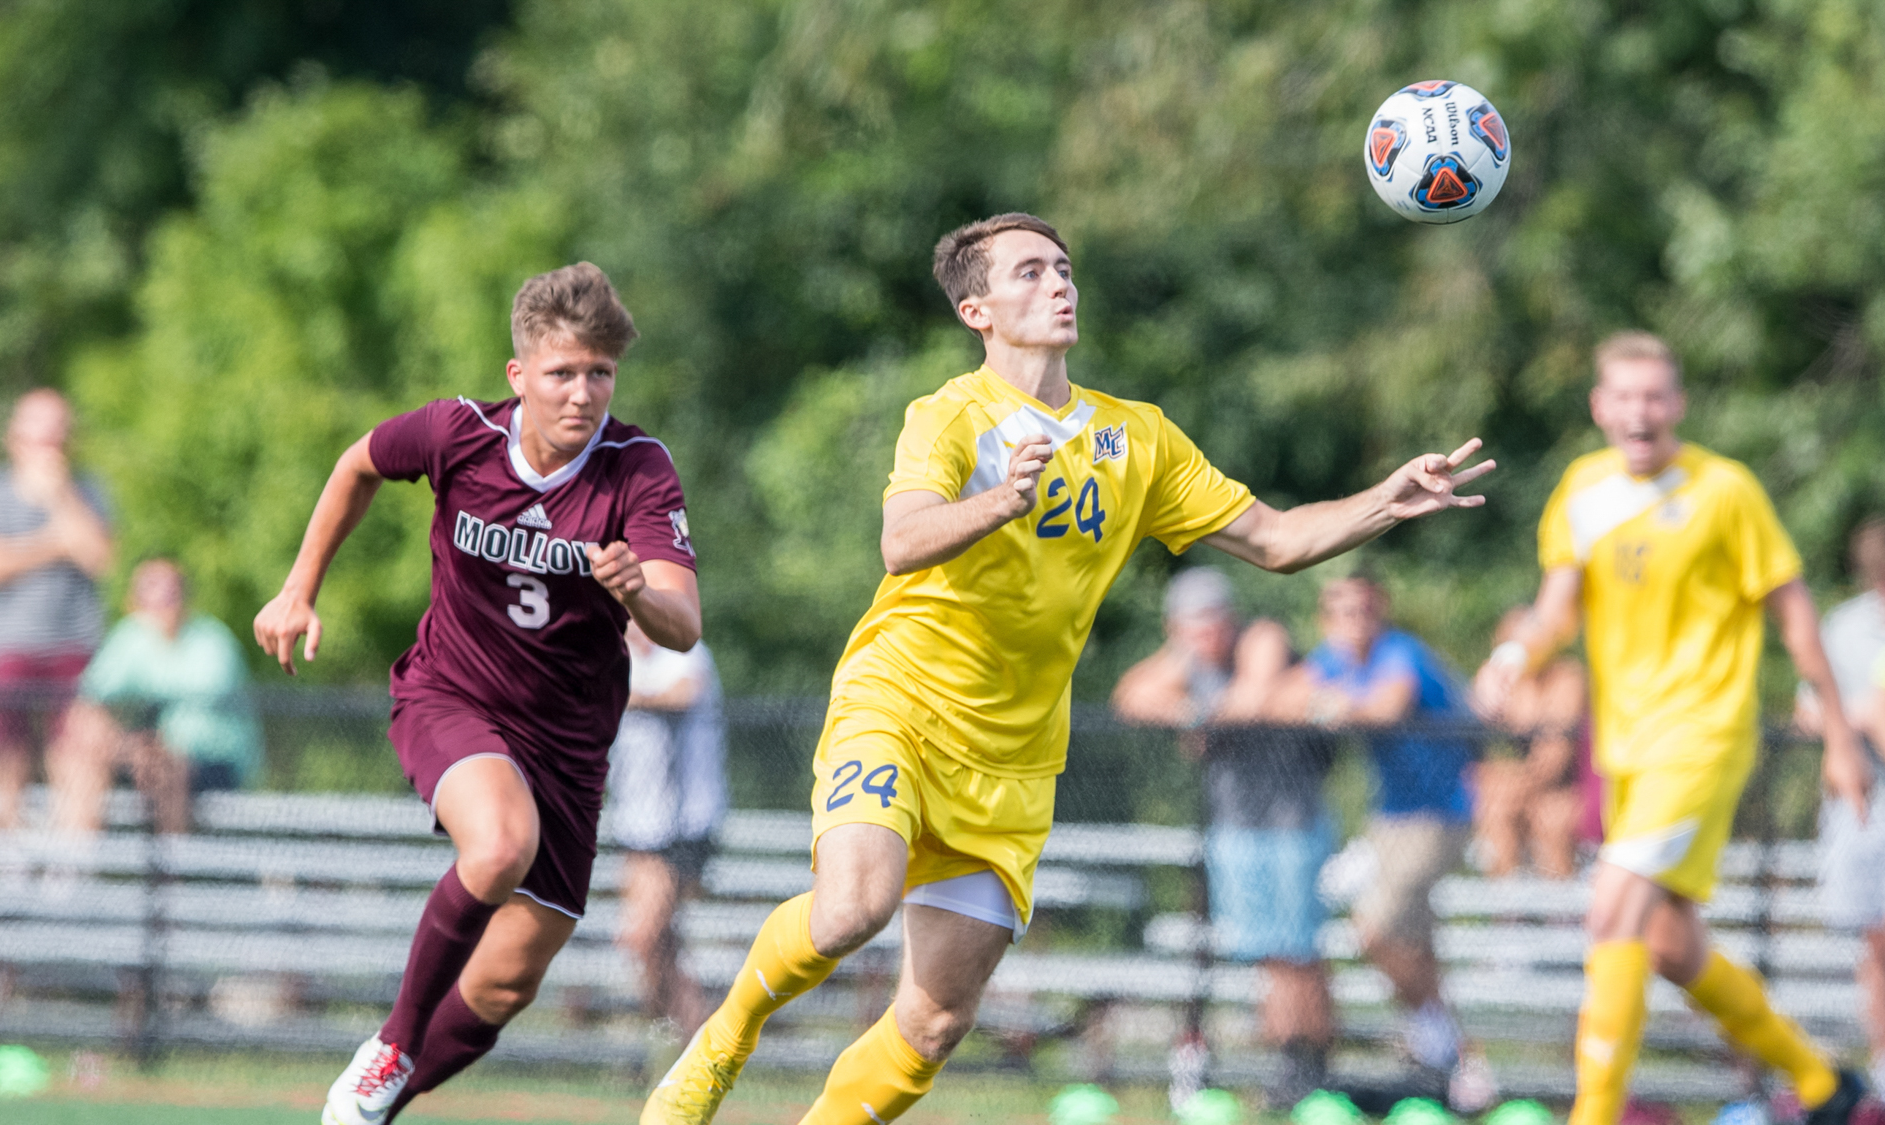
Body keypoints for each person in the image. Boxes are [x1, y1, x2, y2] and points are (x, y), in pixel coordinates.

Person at [641, 211, 1494, 1125]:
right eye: (1030, 271)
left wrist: (1384, 502)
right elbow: (900, 541)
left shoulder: (1139, 437)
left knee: (931, 1022)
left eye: (1064, 267)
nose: (1059, 284)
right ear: (978, 308)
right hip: (901, 705)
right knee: (853, 906)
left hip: (1013, 761)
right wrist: (1003, 498)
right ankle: (721, 1039)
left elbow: (1278, 539)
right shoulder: (951, 415)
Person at [251, 263, 703, 1125]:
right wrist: (299, 584)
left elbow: (683, 622)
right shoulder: (457, 434)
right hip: (451, 695)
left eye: (600, 373)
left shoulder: (636, 468)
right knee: (498, 847)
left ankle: (376, 1104)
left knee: (505, 980)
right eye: (563, 372)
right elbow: (359, 464)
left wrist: (636, 590)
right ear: (519, 374)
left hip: (569, 744)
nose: (582, 393)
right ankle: (390, 1043)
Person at [1471, 331, 1876, 1125]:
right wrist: (1517, 652)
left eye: (1655, 395)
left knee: (1611, 909)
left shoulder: (1725, 489)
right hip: (1626, 749)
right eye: (1624, 396)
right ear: (1600, 407)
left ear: (1677, 404)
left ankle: (1593, 1115)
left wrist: (1834, 733)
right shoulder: (1583, 489)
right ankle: (1825, 1084)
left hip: (1704, 735)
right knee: (1668, 944)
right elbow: (1557, 605)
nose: (1640, 411)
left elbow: (1794, 616)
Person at [1113, 567, 1337, 1108]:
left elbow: (1255, 697)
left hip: (1293, 820)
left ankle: (1311, 1062)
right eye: (1193, 625)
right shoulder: (1190, 662)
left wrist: (1200, 716)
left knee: (1296, 950)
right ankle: (1291, 1061)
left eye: (1213, 620)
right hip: (1236, 826)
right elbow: (1131, 696)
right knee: (1266, 953)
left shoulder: (1262, 636)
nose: (1206, 633)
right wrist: (1192, 703)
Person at [1299, 575, 1481, 1100]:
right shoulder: (1335, 660)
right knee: (1413, 942)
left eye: (1363, 611)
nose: (1354, 622)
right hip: (1390, 817)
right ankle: (1452, 1060)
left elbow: (1388, 707)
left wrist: (1326, 704)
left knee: (1375, 929)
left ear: (1381, 613)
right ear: (1326, 620)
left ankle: (1437, 1036)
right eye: (1341, 612)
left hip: (1440, 813)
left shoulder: (1402, 653)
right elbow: (1285, 693)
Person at [0, 388, 115, 879]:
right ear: (16, 439)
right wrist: (54, 543)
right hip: (9, 647)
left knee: (81, 758)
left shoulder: (88, 491)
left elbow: (100, 557)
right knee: (9, 760)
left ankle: (69, 878)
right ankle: (11, 871)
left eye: (57, 436)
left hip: (76, 645)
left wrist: (62, 499)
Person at [47, 557, 262, 844]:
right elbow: (88, 700)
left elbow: (194, 726)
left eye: (169, 590)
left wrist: (144, 746)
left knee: (164, 765)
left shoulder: (213, 643)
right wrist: (120, 743)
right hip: (148, 760)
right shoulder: (133, 636)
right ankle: (73, 866)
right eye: (151, 588)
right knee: (75, 752)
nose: (162, 599)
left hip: (213, 764)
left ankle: (170, 873)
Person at [605, 620, 728, 1033]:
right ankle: (689, 1037)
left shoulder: (683, 650)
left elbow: (685, 692)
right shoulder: (618, 660)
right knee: (648, 944)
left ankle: (689, 1039)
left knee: (644, 937)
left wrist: (622, 697)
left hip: (683, 824)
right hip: (638, 824)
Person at [1798, 518, 1885, 1093]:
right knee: (1876, 941)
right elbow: (1810, 710)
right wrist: (1857, 718)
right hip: (1867, 804)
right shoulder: (1847, 625)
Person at [1470, 606, 1589, 879]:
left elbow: (1554, 759)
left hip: (1566, 785)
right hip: (1518, 788)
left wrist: (1509, 785)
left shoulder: (1568, 678)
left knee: (1551, 819)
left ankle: (1559, 913)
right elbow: (1480, 723)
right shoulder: (1499, 679)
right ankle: (1509, 909)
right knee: (1496, 809)